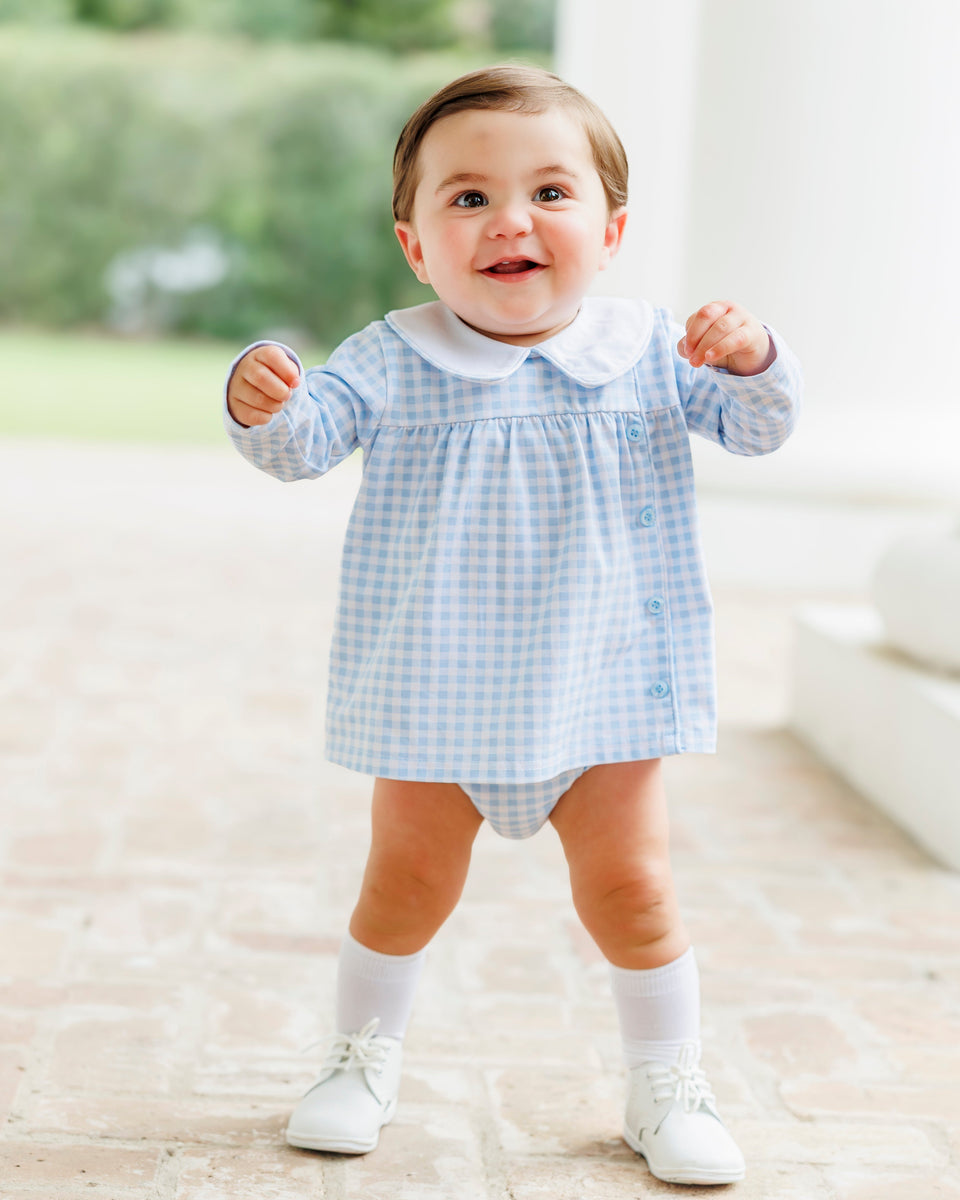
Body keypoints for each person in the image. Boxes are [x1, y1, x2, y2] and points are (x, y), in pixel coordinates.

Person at [223, 65, 801, 1187]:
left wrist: (754, 357)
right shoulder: (393, 358)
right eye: (469, 198)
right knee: (403, 884)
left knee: (634, 890)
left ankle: (666, 1079)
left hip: (605, 685)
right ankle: (359, 1060)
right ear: (416, 244)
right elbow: (302, 443)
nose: (510, 221)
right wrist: (267, 398)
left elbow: (756, 426)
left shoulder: (646, 351)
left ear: (611, 227)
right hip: (439, 687)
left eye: (549, 191)